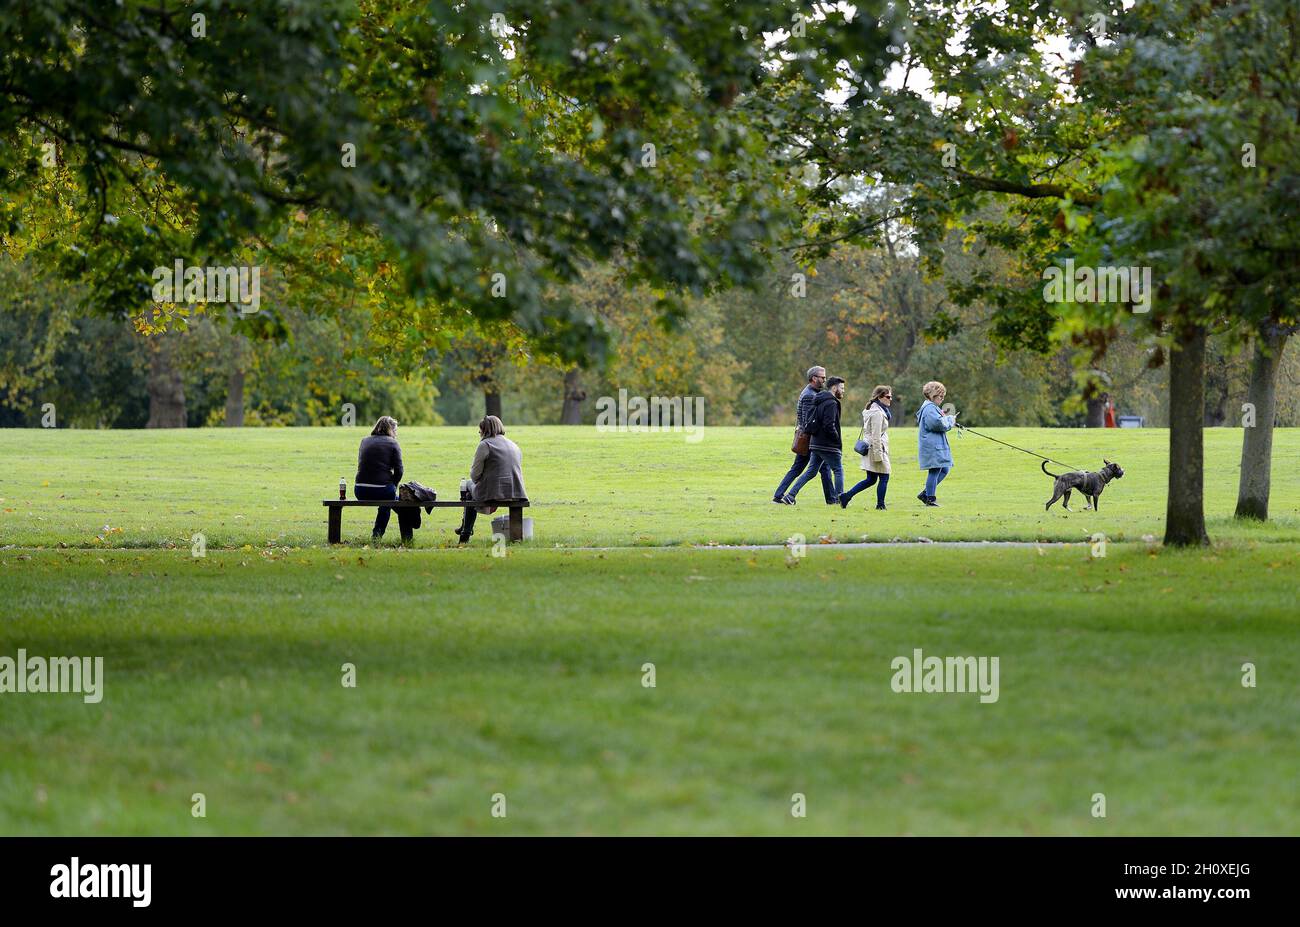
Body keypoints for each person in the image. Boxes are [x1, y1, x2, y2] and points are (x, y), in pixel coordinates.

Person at [455, 415, 527, 544]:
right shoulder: (514, 445)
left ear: (485, 430)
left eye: (480, 429)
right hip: (516, 492)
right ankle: (464, 528)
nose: (479, 432)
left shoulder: (485, 445)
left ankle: (465, 532)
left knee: (467, 485)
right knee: (471, 489)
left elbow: (475, 475)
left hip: (493, 492)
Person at [772, 366, 835, 505]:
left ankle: (778, 495)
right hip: (809, 439)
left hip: (809, 439)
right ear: (814, 378)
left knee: (811, 468)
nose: (824, 380)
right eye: (822, 377)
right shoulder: (809, 395)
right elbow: (808, 422)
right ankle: (831, 500)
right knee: (821, 468)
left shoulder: (812, 393)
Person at [783, 376, 845, 504]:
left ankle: (790, 495)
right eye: (842, 388)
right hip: (828, 445)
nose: (843, 391)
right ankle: (841, 498)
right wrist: (836, 439)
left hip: (815, 443)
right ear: (834, 388)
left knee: (811, 471)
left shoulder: (819, 400)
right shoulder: (831, 403)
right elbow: (829, 425)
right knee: (838, 470)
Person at [354, 415, 416, 544]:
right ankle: (381, 537)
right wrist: (393, 485)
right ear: (391, 430)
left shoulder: (364, 441)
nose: (396, 434)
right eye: (396, 431)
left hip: (360, 490)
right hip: (382, 490)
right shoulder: (393, 443)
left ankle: (379, 537)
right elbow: (399, 470)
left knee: (393, 502)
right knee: (392, 503)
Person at [840, 385, 893, 510]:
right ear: (880, 397)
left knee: (871, 479)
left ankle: (846, 496)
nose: (890, 399)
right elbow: (875, 436)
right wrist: (878, 455)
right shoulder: (877, 413)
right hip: (876, 448)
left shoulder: (875, 409)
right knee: (884, 476)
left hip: (871, 447)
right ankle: (880, 505)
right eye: (888, 396)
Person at [916, 381, 957, 507]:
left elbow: (939, 420)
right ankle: (930, 499)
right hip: (932, 446)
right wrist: (950, 419)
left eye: (943, 397)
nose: (942, 399)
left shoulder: (932, 408)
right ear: (933, 395)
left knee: (944, 468)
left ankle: (925, 493)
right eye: (940, 396)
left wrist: (947, 418)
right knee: (935, 471)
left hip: (936, 444)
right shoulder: (929, 408)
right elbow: (937, 424)